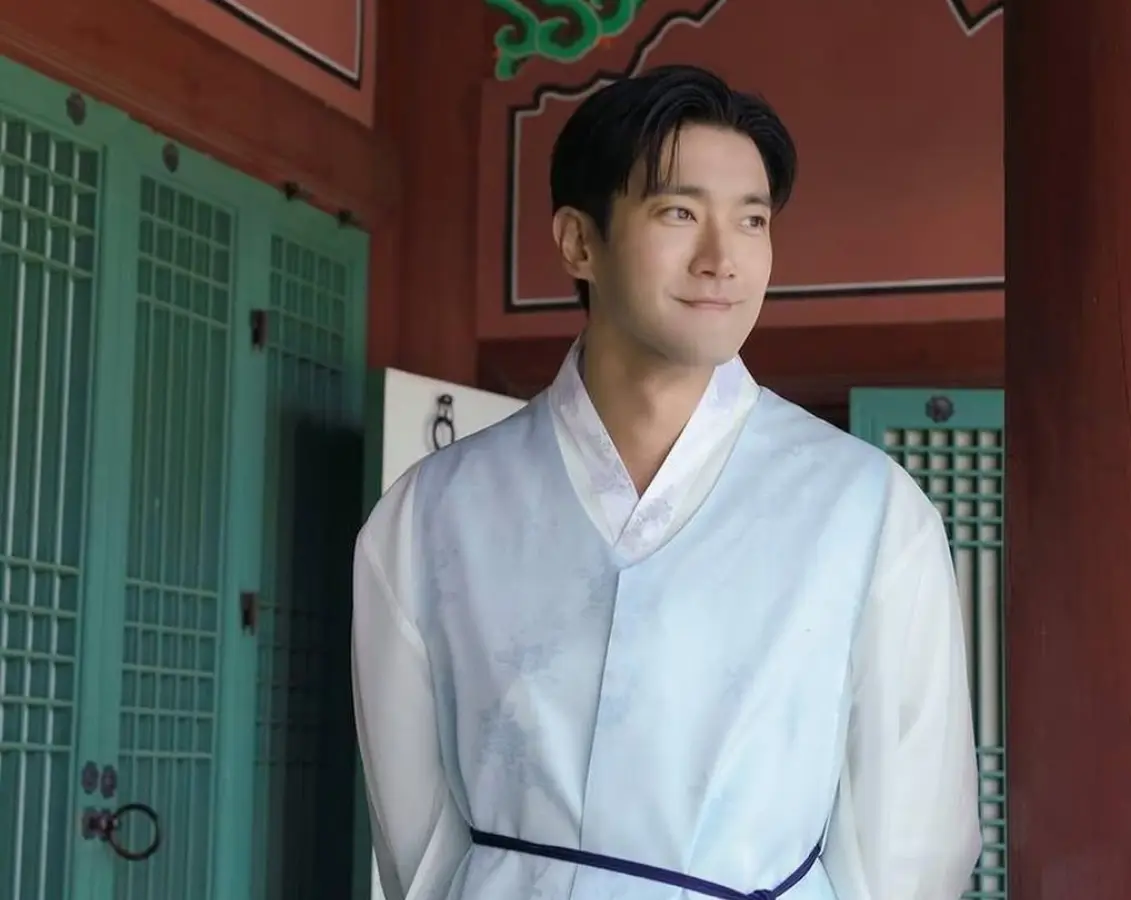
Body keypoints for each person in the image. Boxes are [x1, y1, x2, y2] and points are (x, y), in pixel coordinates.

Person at [351, 64, 982, 900]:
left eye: (751, 220)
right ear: (579, 242)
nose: (722, 259)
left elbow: (910, 843)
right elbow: (418, 838)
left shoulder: (867, 510)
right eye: (680, 213)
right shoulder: (434, 513)